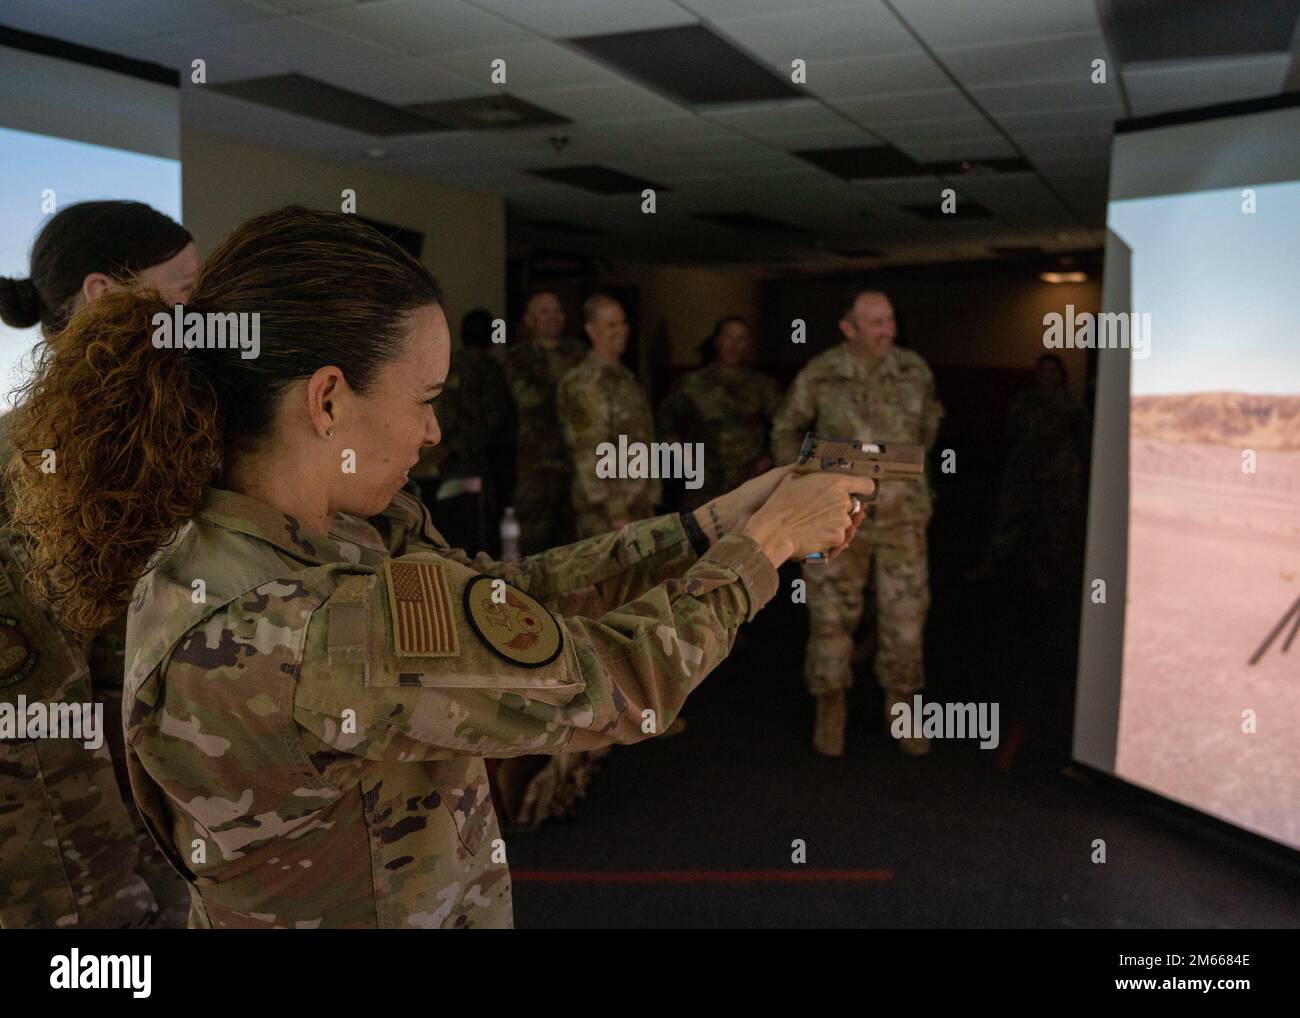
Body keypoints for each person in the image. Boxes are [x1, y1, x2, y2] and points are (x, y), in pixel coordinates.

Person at [6, 206, 865, 929]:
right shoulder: (306, 630)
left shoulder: (309, 532)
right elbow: (618, 685)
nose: (435, 434)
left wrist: (708, 525)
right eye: (423, 401)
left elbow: (502, 603)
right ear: (329, 399)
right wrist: (768, 548)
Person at [0, 200, 197, 928]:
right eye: (181, 288)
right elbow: (43, 731)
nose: (198, 312)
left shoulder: (139, 441)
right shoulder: (35, 467)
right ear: (103, 297)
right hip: (72, 866)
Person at [771, 289, 943, 758]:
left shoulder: (914, 371)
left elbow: (928, 429)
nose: (888, 330)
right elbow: (785, 428)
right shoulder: (821, 374)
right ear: (849, 328)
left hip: (902, 520)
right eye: (876, 323)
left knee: (906, 618)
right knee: (829, 617)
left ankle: (901, 707)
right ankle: (831, 706)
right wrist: (805, 480)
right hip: (836, 520)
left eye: (890, 320)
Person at [972, 353, 1089, 589]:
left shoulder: (1073, 406)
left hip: (1056, 475)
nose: (1047, 376)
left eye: (1053, 371)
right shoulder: (1023, 401)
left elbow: (1082, 441)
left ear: (1061, 375)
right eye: (1043, 371)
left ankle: (1041, 571)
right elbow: (1010, 432)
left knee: (1049, 527)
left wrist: (1072, 472)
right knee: (1007, 520)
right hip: (1022, 472)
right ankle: (991, 566)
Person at [411, 308, 515, 556]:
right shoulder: (489, 370)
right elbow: (496, 418)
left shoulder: (449, 365)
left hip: (445, 461)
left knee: (449, 522)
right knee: (479, 525)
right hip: (478, 463)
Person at [557, 294, 660, 539]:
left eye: (623, 323)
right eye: (611, 325)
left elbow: (643, 438)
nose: (621, 331)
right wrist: (616, 512)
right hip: (606, 514)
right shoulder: (584, 383)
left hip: (637, 505)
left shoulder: (625, 377)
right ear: (591, 330)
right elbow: (590, 450)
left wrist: (650, 499)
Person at [657, 316, 782, 511]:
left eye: (741, 339)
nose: (733, 345)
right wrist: (683, 458)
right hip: (704, 482)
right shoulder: (692, 383)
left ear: (748, 344)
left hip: (748, 480)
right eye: (728, 337)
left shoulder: (763, 386)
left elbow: (784, 427)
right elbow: (665, 425)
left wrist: (770, 456)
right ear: (717, 341)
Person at [502, 291, 585, 554]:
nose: (553, 317)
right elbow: (528, 398)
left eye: (557, 311)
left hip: (577, 461)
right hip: (536, 463)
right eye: (544, 311)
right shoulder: (519, 357)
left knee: (575, 541)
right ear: (529, 319)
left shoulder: (578, 353)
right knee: (531, 541)